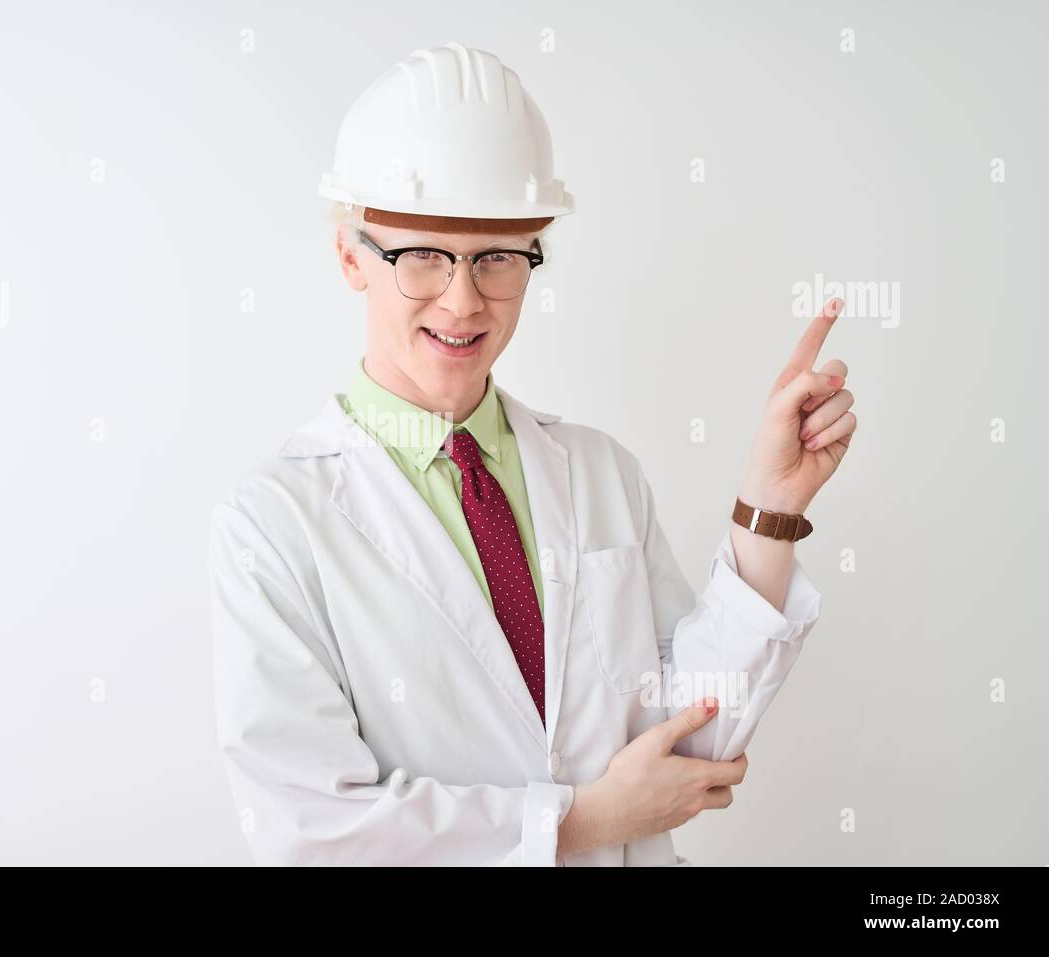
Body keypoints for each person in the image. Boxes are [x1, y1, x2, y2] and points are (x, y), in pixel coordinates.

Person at [208, 42, 857, 866]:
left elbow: (692, 741)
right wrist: (580, 821)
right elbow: (309, 829)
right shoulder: (272, 523)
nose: (463, 298)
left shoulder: (599, 471)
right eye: (423, 258)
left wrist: (771, 506)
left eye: (497, 258)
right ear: (350, 257)